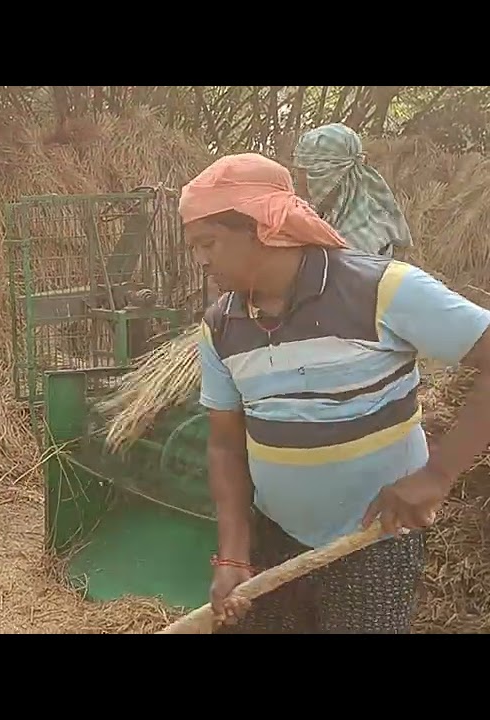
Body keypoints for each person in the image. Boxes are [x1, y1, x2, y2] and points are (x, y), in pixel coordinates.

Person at [183, 152, 490, 633]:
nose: (201, 261)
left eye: (209, 242)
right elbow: (225, 444)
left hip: (374, 541)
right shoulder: (222, 326)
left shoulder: (381, 290)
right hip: (275, 538)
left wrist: (438, 473)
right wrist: (233, 556)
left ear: (263, 227)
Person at [291, 122, 413, 260]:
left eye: (306, 173)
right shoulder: (345, 214)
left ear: (331, 178)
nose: (298, 184)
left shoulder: (356, 242)